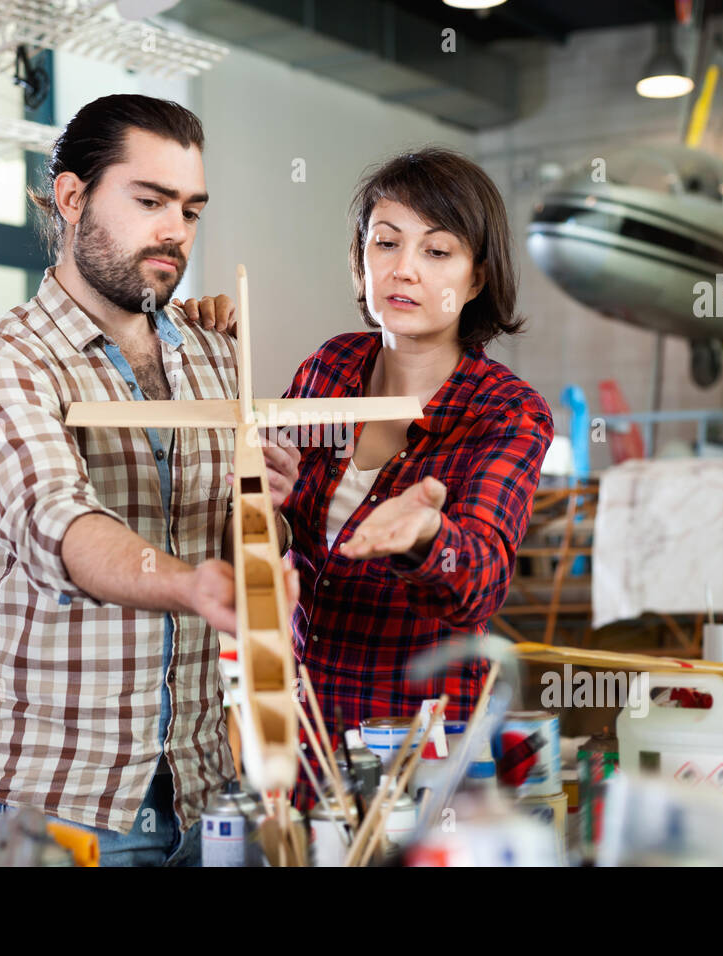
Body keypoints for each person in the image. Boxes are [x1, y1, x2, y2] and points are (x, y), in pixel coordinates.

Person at [0, 94, 296, 866]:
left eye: (191, 210)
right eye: (149, 201)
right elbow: (59, 525)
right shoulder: (5, 362)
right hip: (55, 802)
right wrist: (189, 586)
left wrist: (268, 508)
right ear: (72, 198)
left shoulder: (215, 356)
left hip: (202, 789)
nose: (175, 230)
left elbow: (233, 539)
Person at [186, 147, 553, 788]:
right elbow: (271, 549)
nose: (404, 269)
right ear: (361, 263)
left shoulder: (507, 410)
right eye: (386, 243)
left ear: (477, 278)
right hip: (304, 739)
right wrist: (258, 501)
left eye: (437, 252)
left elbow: (480, 584)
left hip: (419, 750)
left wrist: (424, 537)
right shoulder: (329, 370)